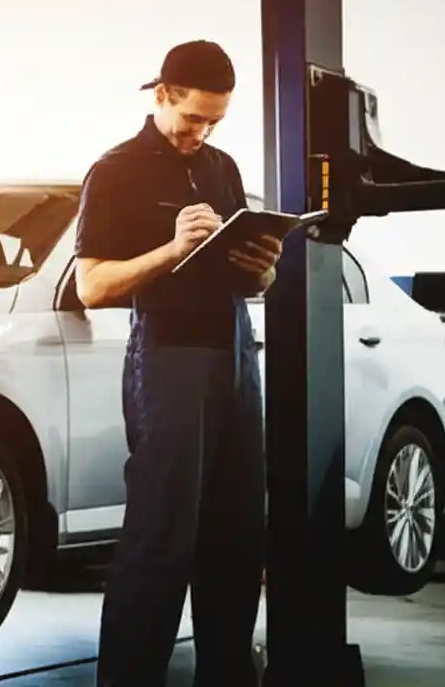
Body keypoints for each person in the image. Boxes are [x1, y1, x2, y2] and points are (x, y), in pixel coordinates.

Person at [76, 40, 283, 686]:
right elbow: (93, 286)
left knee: (237, 536)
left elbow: (253, 280)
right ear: (162, 95)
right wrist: (170, 249)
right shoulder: (116, 171)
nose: (203, 133)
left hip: (234, 352)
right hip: (166, 357)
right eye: (193, 118)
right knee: (161, 539)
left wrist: (265, 270)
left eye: (216, 121)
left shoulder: (221, 166)